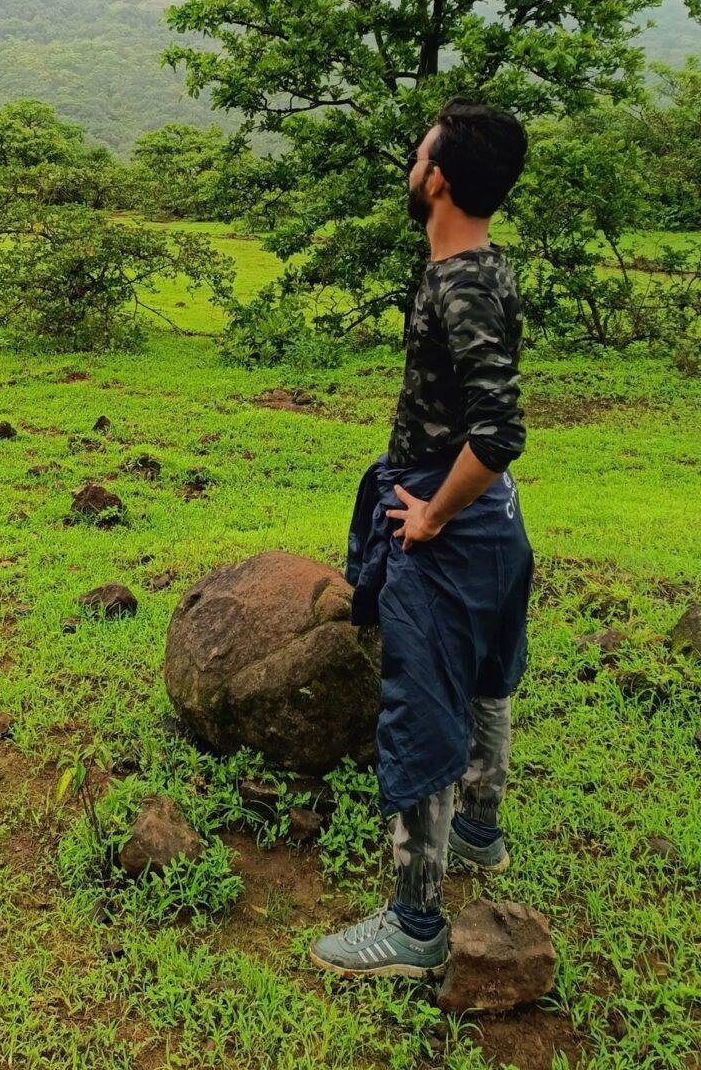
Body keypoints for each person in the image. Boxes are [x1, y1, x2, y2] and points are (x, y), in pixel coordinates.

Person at [309, 99, 533, 980]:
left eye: (416, 156)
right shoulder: (484, 266)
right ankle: (480, 829)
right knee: (487, 676)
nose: (411, 168)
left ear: (436, 178)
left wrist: (432, 514)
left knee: (422, 713)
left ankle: (414, 924)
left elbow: (501, 428)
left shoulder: (460, 285)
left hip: (452, 521)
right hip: (496, 522)